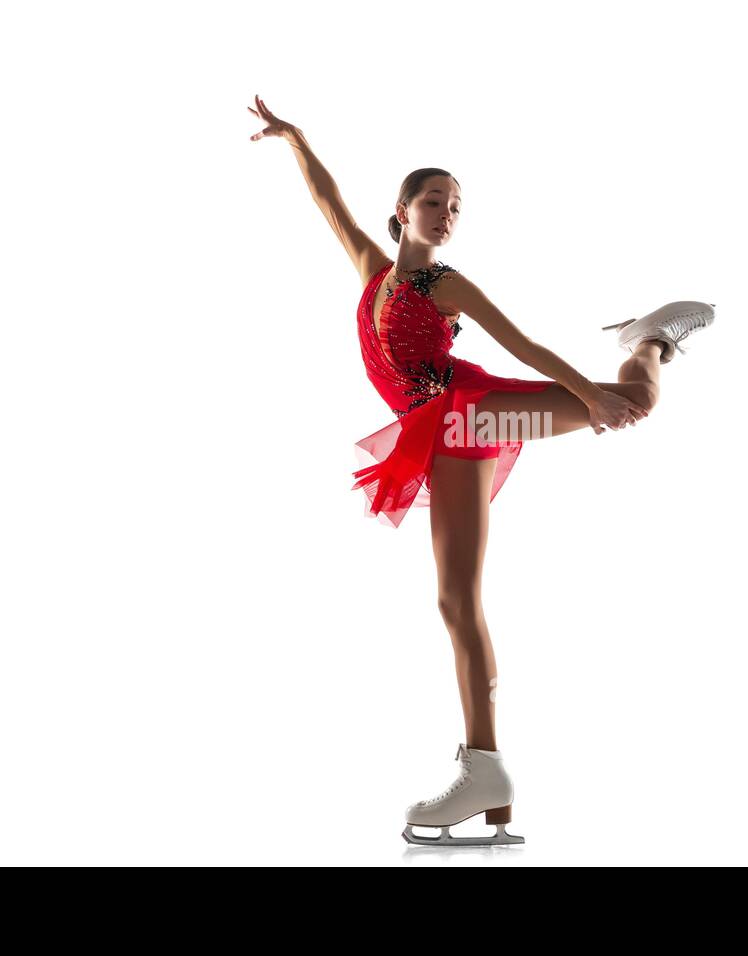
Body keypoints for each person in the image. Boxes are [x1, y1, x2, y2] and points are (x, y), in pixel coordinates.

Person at [248, 96, 715, 846]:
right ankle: (486, 771)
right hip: (441, 425)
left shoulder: (445, 285)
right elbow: (328, 202)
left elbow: (524, 346)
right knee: (455, 600)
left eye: (456, 207)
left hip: (469, 417)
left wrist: (590, 396)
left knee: (465, 590)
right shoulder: (373, 272)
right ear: (401, 210)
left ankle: (650, 340)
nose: (446, 214)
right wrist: (297, 139)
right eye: (434, 201)